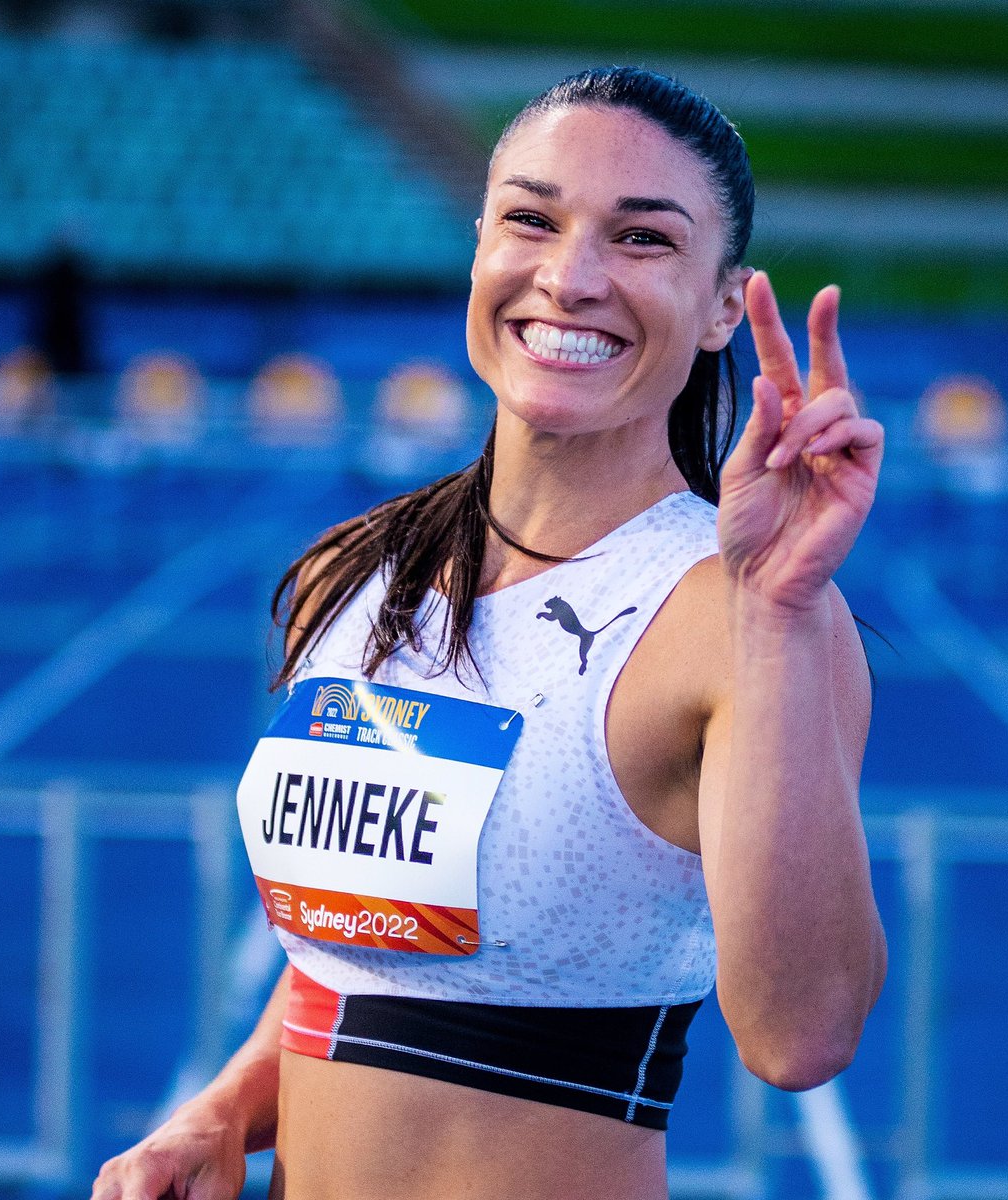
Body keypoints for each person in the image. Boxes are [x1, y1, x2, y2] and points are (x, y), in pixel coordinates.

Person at [92, 66, 886, 1200]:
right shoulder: (355, 576)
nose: (571, 277)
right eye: (531, 219)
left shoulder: (738, 612)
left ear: (724, 307)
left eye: (642, 239)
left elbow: (803, 1036)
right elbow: (357, 961)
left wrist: (778, 620)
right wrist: (219, 1112)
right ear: (479, 247)